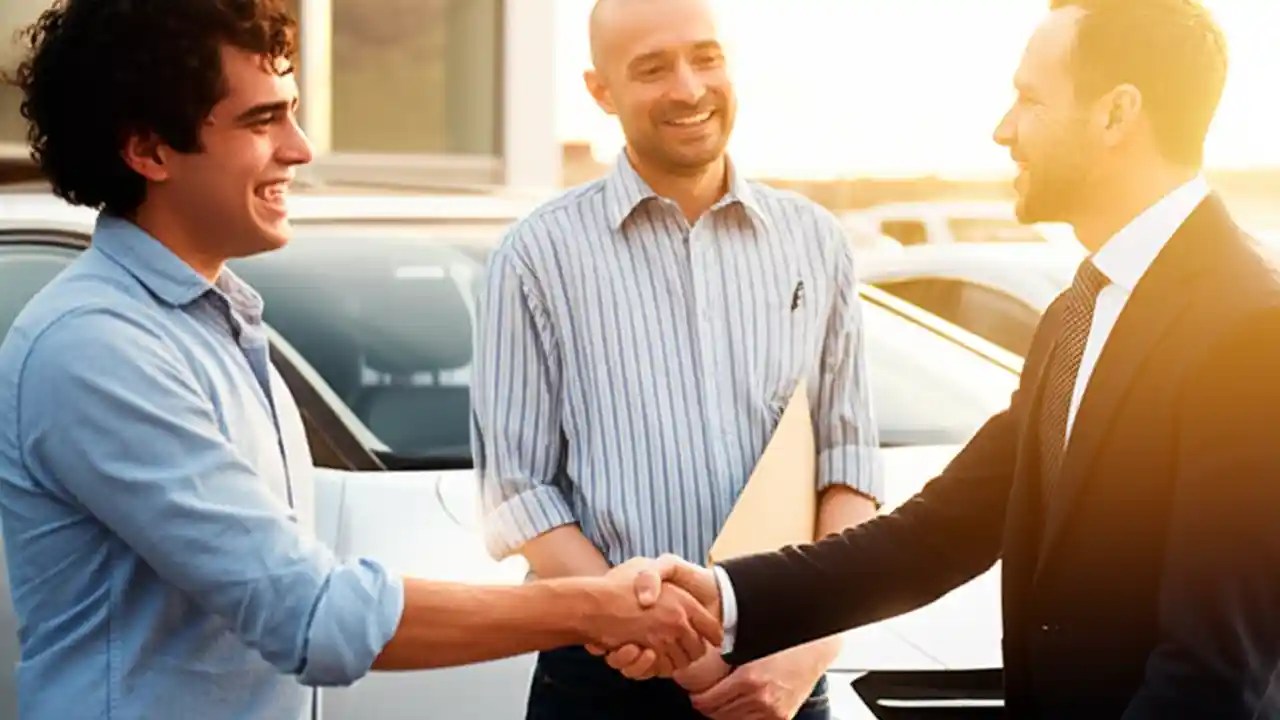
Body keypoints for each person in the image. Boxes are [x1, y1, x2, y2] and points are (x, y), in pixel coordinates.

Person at [0, 2, 721, 718]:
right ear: (149, 150)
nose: (301, 147)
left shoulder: (217, 325)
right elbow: (311, 614)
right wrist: (595, 606)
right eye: (261, 121)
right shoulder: (95, 348)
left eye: (292, 111)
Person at [606, 0, 1280, 717]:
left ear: (1116, 115)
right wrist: (725, 597)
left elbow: (1212, 671)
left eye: (1029, 98)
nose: (1003, 129)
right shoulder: (1078, 312)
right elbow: (939, 532)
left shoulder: (1248, 328)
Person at [470, 0, 882, 717]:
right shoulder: (537, 257)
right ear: (601, 91)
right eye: (653, 68)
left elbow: (849, 465)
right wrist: (672, 646)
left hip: (787, 673)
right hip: (606, 678)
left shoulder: (814, 241)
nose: (689, 88)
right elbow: (518, 492)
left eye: (706, 57)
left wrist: (806, 654)